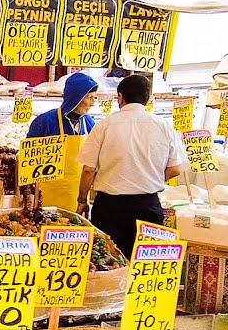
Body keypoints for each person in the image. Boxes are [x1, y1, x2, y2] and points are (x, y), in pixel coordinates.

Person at [76, 74, 185, 258]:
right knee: (145, 265)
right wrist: (147, 176)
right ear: (148, 98)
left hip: (110, 209)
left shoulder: (104, 125)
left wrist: (82, 200)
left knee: (109, 262)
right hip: (148, 207)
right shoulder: (164, 126)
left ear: (120, 97)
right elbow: (175, 169)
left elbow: (88, 170)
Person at [25, 72, 98, 212]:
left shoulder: (89, 123)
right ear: (77, 97)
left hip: (77, 196)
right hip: (47, 196)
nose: (93, 103)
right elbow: (28, 162)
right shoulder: (45, 122)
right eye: (90, 97)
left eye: (94, 98)